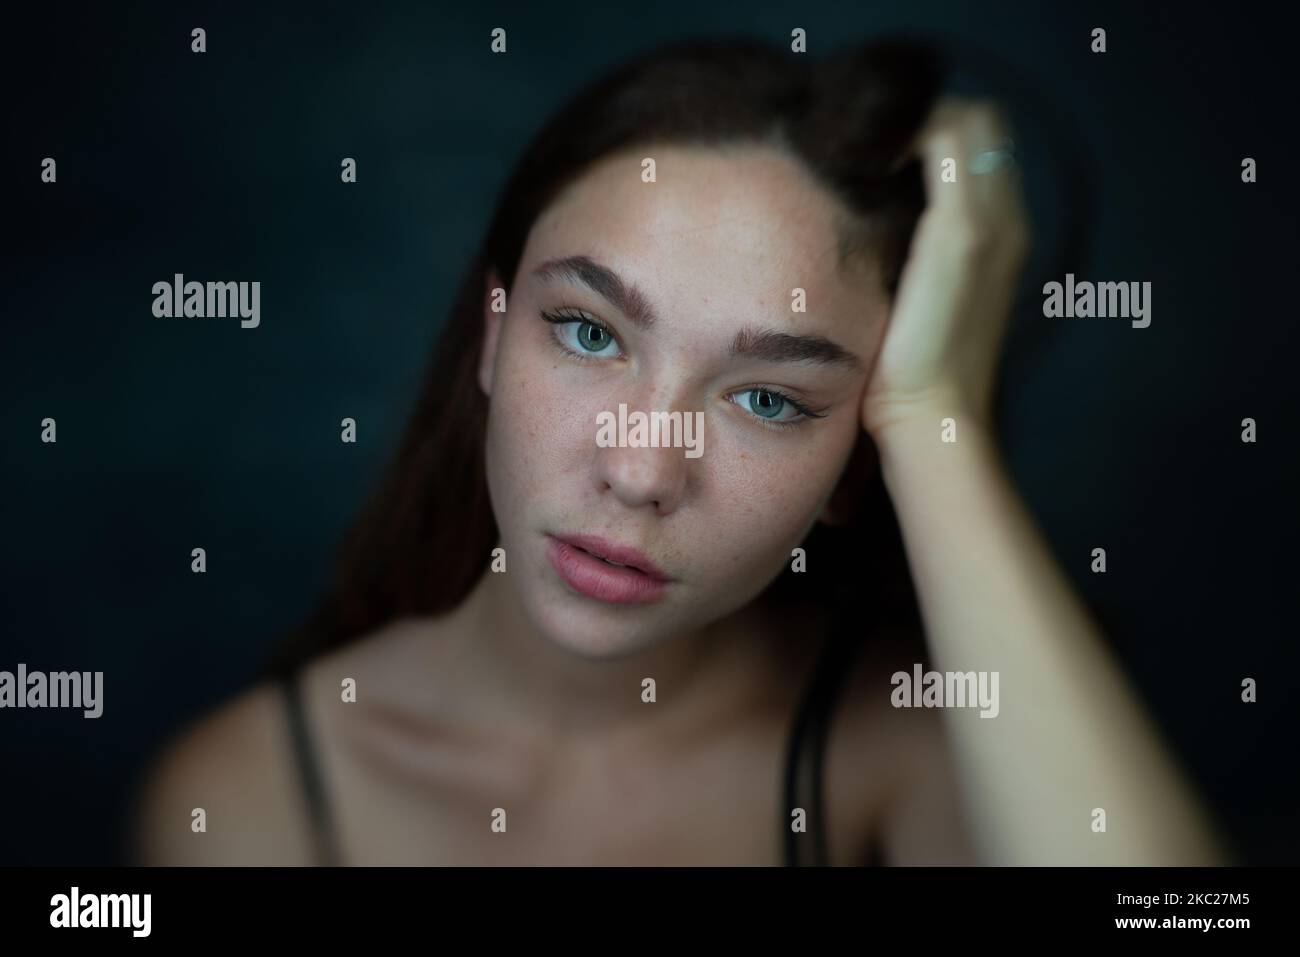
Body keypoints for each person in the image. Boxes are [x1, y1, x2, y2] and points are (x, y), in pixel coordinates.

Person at [132, 38, 1227, 866]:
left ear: (857, 465)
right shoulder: (254, 794)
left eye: (766, 398)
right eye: (590, 333)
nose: (640, 472)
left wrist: (937, 418)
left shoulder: (909, 754)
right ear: (490, 336)